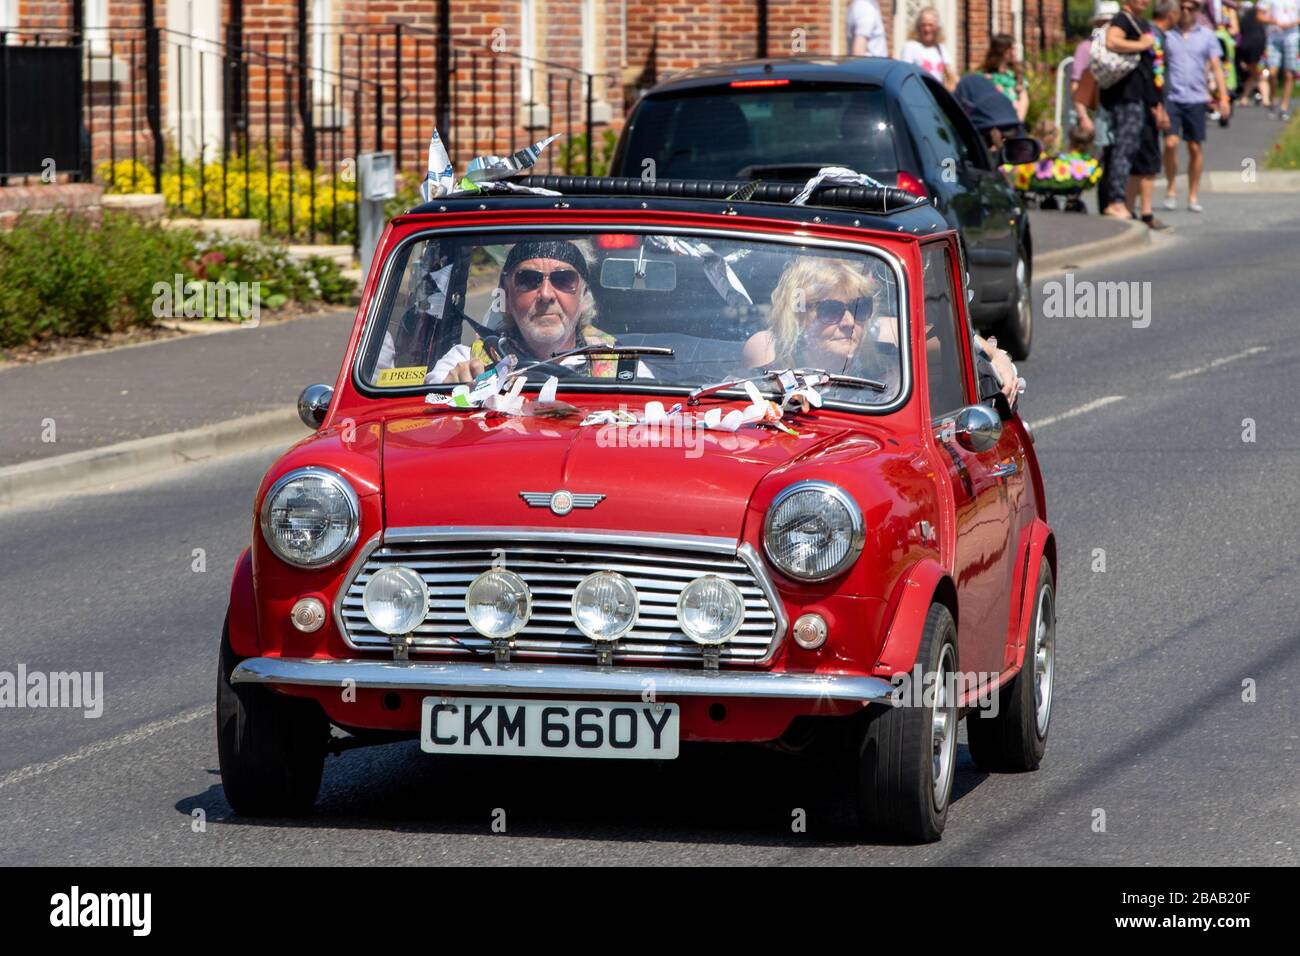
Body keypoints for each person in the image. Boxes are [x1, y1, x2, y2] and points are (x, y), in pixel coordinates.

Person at [741, 257, 1021, 407]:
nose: (850, 321)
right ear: (798, 313)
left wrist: (998, 357)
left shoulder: (880, 334)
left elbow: (957, 338)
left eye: (860, 308)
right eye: (830, 310)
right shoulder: (769, 348)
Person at [423, 239, 647, 384]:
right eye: (528, 280)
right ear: (507, 295)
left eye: (563, 279)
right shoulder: (465, 360)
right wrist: (449, 392)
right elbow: (426, 432)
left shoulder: (623, 366)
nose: (546, 294)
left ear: (583, 296)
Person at [1101, 0, 1170, 228]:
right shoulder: (1123, 19)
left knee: (1137, 152)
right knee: (1124, 149)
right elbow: (1112, 41)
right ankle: (1115, 201)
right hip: (1126, 96)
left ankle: (1124, 203)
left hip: (1142, 98)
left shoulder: (1142, 23)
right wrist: (1141, 44)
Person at [1161, 0, 1232, 211]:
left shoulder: (1207, 35)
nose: (1185, 11)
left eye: (1190, 8)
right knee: (1171, 143)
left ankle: (1193, 194)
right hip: (1172, 96)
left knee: (1194, 147)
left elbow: (1218, 68)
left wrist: (1223, 97)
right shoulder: (1167, 35)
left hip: (1196, 97)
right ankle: (1171, 187)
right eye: (1182, 7)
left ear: (1197, 11)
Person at [900, 7, 959, 90]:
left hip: (938, 96)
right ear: (918, 27)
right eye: (923, 25)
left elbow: (951, 75)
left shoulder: (941, 49)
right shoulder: (910, 47)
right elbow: (905, 75)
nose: (927, 29)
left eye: (930, 25)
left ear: (937, 28)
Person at [1259, 0, 1299, 117]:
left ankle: (1284, 107)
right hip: (1273, 36)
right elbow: (1259, 15)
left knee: (1289, 74)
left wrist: (1293, 23)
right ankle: (1273, 100)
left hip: (1292, 36)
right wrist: (1274, 21)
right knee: (1271, 73)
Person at [979, 33, 1030, 121]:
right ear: (1001, 50)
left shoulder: (1016, 75)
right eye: (1011, 49)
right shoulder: (984, 77)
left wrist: (1017, 122)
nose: (1014, 53)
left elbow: (1024, 100)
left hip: (1012, 123)